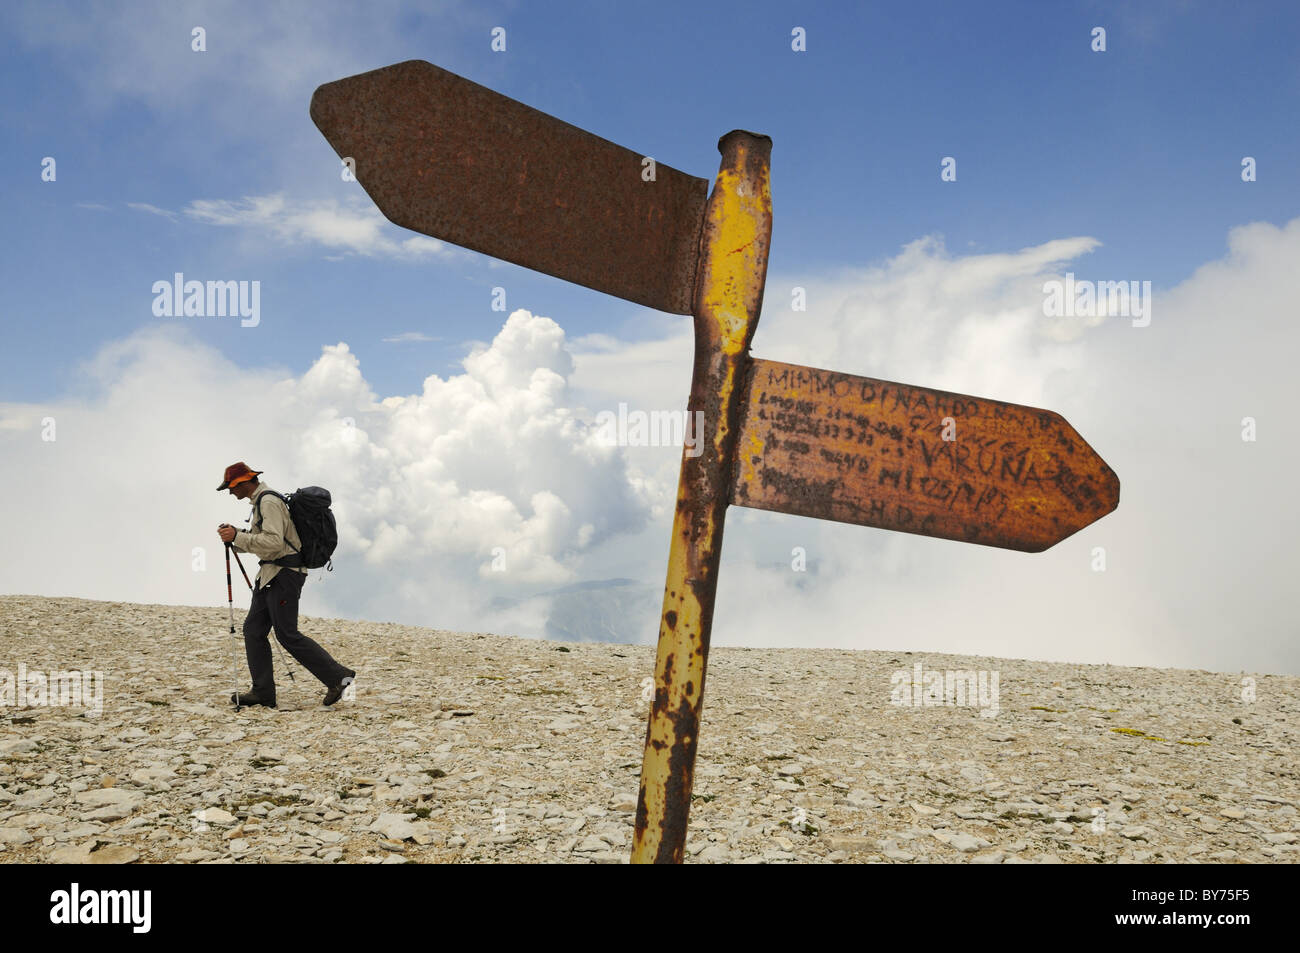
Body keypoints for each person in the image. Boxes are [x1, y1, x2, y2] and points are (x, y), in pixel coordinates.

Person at [216, 462, 355, 708]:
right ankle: (263, 693)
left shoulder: (268, 502)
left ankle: (339, 677)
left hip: (284, 575)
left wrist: (238, 537)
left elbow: (273, 543)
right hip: (270, 575)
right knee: (253, 630)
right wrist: (237, 537)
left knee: (287, 634)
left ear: (243, 482)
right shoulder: (262, 501)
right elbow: (266, 541)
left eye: (231, 487)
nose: (230, 492)